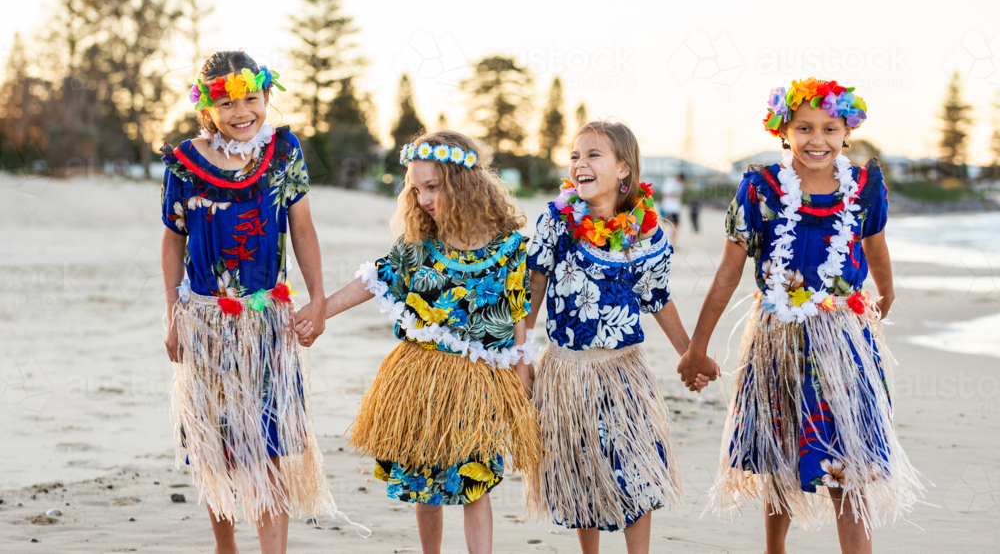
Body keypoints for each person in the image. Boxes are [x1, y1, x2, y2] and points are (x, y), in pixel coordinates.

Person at [678, 79, 924, 553]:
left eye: (830, 128)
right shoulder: (760, 190)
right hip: (779, 339)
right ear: (783, 130)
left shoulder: (864, 190)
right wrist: (697, 347)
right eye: (804, 127)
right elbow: (728, 273)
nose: (818, 139)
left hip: (842, 344)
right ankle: (775, 549)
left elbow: (876, 250)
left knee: (846, 463)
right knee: (779, 454)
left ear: (847, 130)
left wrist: (885, 297)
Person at [292, 131, 541, 554]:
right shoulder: (417, 248)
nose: (424, 198)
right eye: (416, 188)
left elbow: (519, 308)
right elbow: (371, 281)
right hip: (421, 380)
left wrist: (522, 364)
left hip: (478, 384)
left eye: (433, 187)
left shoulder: (510, 247)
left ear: (465, 184)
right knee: (426, 482)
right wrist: (319, 312)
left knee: (474, 482)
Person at [160, 51, 337, 554]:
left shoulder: (284, 152)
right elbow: (173, 240)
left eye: (252, 99)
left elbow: (302, 229)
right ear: (207, 109)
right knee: (217, 446)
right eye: (228, 103)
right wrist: (172, 317)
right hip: (205, 321)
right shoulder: (185, 163)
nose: (243, 113)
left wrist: (319, 299)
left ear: (266, 97)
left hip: (267, 323)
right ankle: (226, 545)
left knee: (269, 445)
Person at [523, 120, 713, 554]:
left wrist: (690, 354)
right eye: (575, 156)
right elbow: (533, 287)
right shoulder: (557, 222)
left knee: (636, 469)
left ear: (623, 169)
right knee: (579, 469)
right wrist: (522, 353)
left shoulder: (646, 233)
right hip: (566, 371)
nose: (580, 164)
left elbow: (658, 299)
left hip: (623, 370)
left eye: (593, 155)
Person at [659, 172, 684, 246]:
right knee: (662, 226)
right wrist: (674, 194)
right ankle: (661, 242)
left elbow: (679, 197)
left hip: (675, 209)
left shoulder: (680, 185)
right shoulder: (669, 182)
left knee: (676, 226)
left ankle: (673, 242)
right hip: (667, 208)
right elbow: (664, 194)